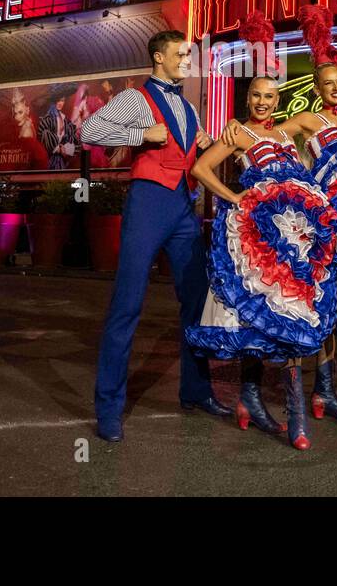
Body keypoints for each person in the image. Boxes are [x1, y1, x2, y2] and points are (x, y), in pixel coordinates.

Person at [235, 3, 337, 438]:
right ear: (319, 89)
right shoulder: (306, 120)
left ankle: (334, 391)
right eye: (328, 83)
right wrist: (234, 135)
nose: (336, 88)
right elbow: (264, 136)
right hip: (321, 223)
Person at [186, 13, 337, 450]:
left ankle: (254, 401)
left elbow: (309, 153)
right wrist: (235, 199)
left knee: (281, 311)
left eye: (270, 96)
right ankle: (280, 411)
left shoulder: (287, 135)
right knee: (257, 311)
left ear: (278, 100)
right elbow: (200, 169)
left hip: (292, 228)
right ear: (247, 97)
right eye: (256, 95)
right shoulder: (238, 135)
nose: (263, 102)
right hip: (256, 230)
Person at [80, 29, 226, 442]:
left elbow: (186, 155)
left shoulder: (188, 107)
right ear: (159, 57)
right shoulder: (134, 98)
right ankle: (109, 409)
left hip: (183, 208)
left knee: (197, 302)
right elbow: (88, 131)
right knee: (127, 304)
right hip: (147, 203)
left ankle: (195, 391)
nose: (186, 59)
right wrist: (140, 134)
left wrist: (203, 143)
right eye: (180, 53)